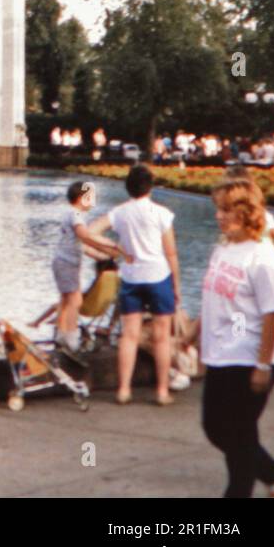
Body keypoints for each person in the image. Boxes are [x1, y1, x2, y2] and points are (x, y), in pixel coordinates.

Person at [189, 177, 274, 497]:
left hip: (250, 356)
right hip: (222, 353)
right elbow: (215, 297)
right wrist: (194, 331)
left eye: (227, 210)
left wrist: (262, 364)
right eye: (218, 209)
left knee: (240, 437)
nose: (219, 216)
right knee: (216, 428)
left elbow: (273, 313)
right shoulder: (225, 247)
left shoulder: (263, 257)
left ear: (246, 212)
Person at [89, 165, 181, 405]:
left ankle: (124, 389)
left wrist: (114, 249)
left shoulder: (120, 213)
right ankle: (161, 391)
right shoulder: (162, 213)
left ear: (128, 187)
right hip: (158, 275)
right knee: (162, 337)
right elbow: (171, 253)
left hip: (131, 276)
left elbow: (90, 231)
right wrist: (176, 285)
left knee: (129, 336)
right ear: (150, 186)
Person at [50, 180, 131, 355]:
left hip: (63, 261)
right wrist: (111, 244)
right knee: (75, 301)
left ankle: (61, 336)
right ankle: (71, 339)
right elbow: (85, 236)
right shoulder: (76, 216)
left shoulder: (72, 214)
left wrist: (106, 252)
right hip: (66, 263)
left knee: (66, 300)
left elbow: (82, 245)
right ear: (81, 198)